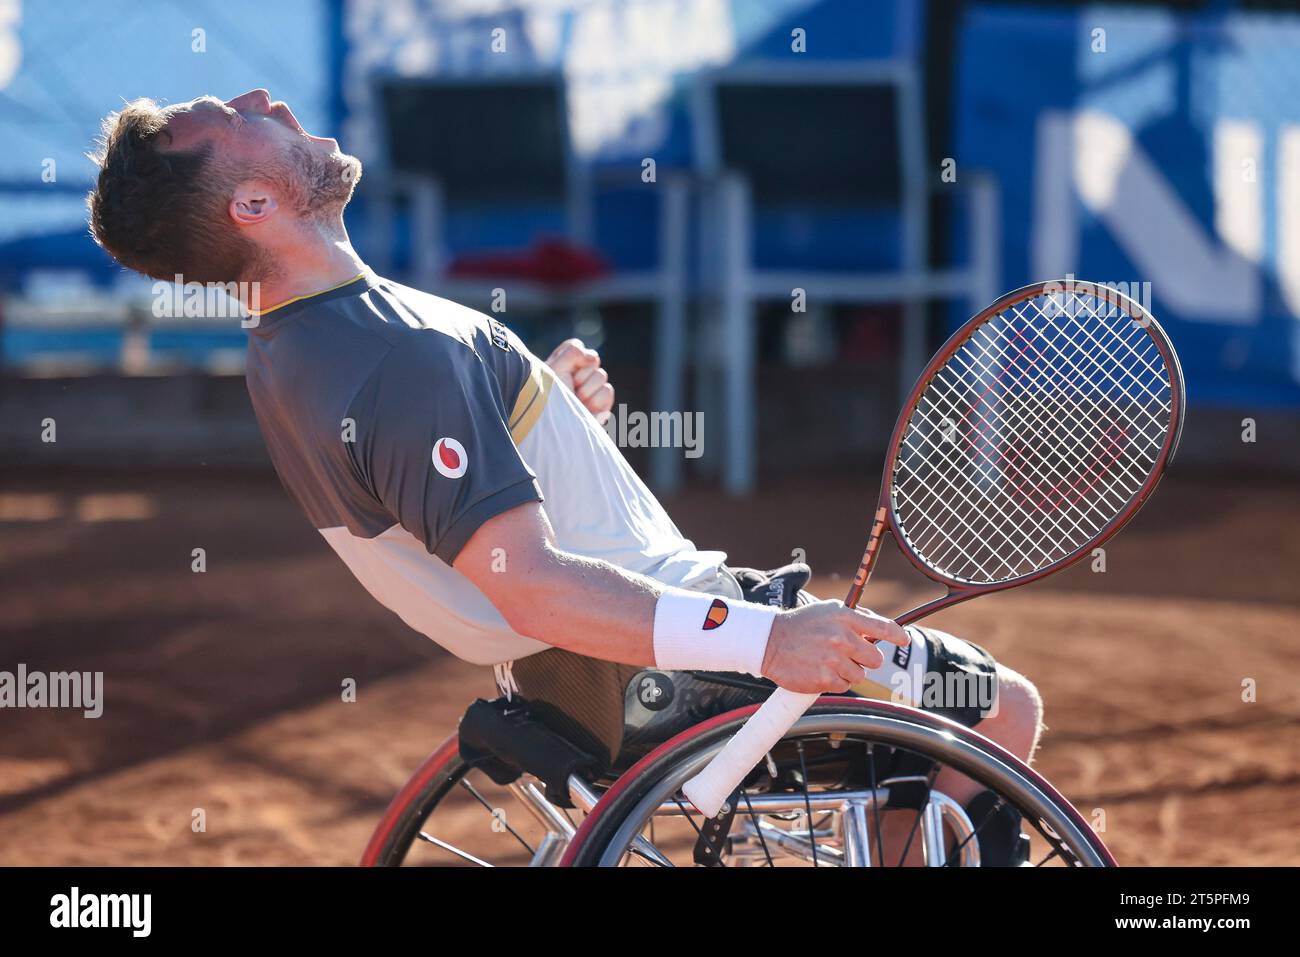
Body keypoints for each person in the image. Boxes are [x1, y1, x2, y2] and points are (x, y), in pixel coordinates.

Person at [87, 89, 1044, 863]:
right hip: (657, 668)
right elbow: (532, 585)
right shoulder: (396, 357)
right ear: (251, 207)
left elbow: (429, 505)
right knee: (1000, 708)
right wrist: (770, 637)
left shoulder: (299, 344)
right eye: (237, 115)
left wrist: (542, 412)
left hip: (568, 679)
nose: (268, 100)